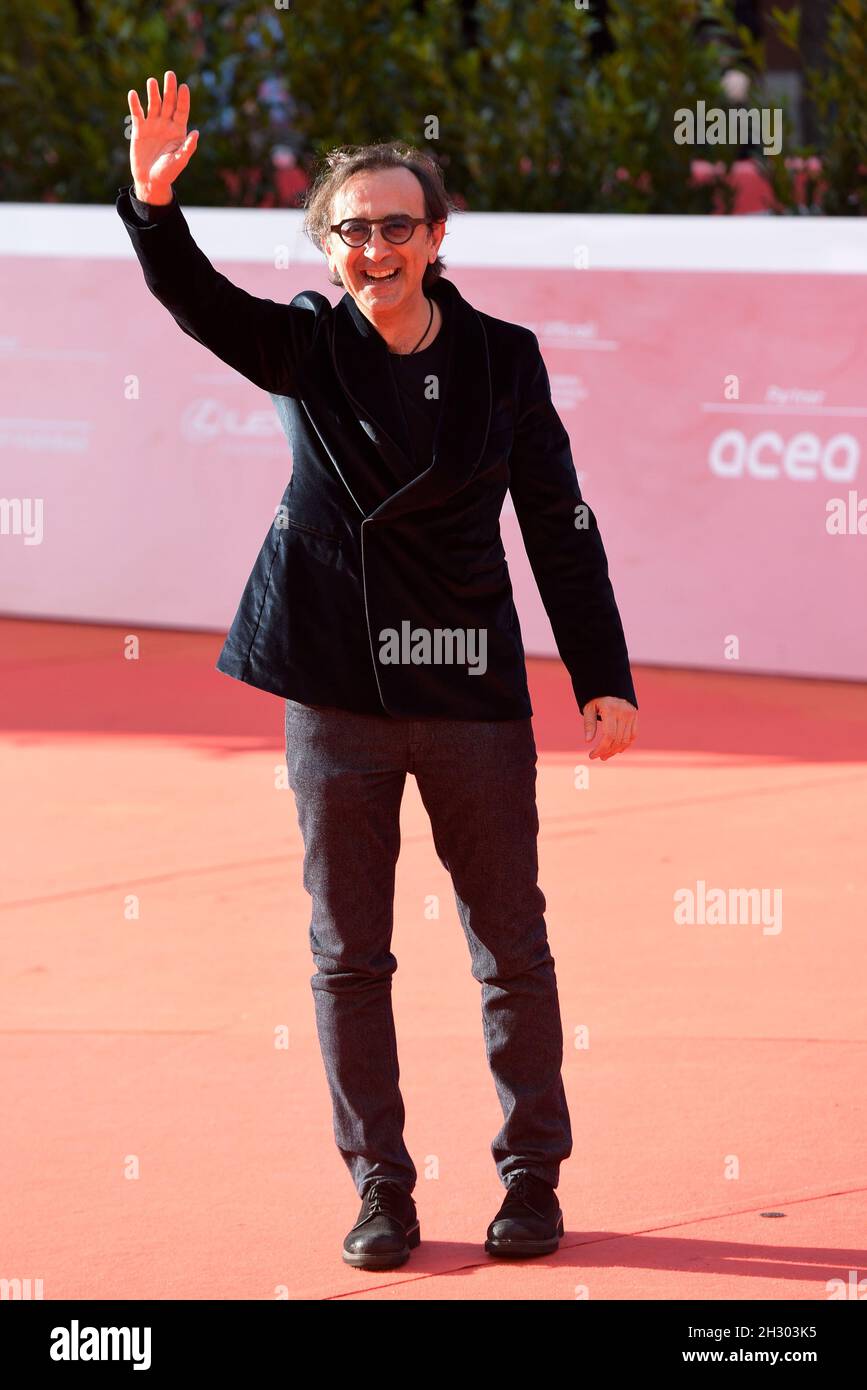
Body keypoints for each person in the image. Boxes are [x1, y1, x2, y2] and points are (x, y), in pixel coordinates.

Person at [118, 70, 639, 1272]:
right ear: (331, 247)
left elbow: (557, 520)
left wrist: (598, 674)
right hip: (337, 688)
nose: (376, 246)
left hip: (466, 684)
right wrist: (154, 205)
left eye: (398, 224)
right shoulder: (303, 345)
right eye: (352, 229)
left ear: (437, 237)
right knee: (347, 952)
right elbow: (195, 300)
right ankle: (382, 1190)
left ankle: (531, 1178)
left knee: (510, 942)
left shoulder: (505, 362)